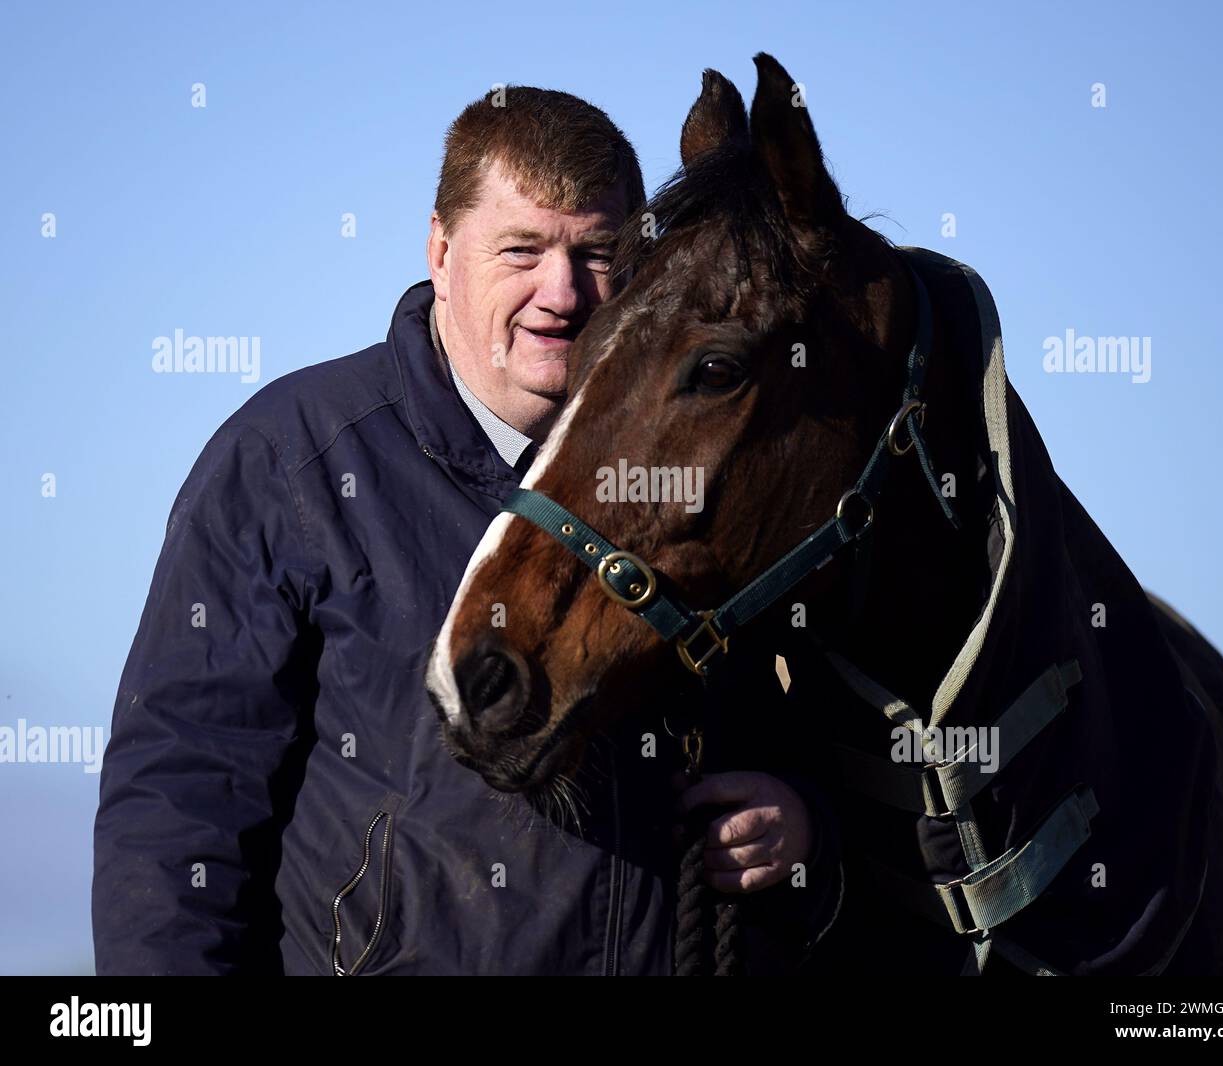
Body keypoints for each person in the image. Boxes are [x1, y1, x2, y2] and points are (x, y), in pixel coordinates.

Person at [92, 84, 843, 975]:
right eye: (520, 250)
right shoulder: (291, 459)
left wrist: (807, 834)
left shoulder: (720, 463)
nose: (561, 294)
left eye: (598, 253)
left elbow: (828, 733)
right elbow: (182, 793)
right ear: (441, 253)